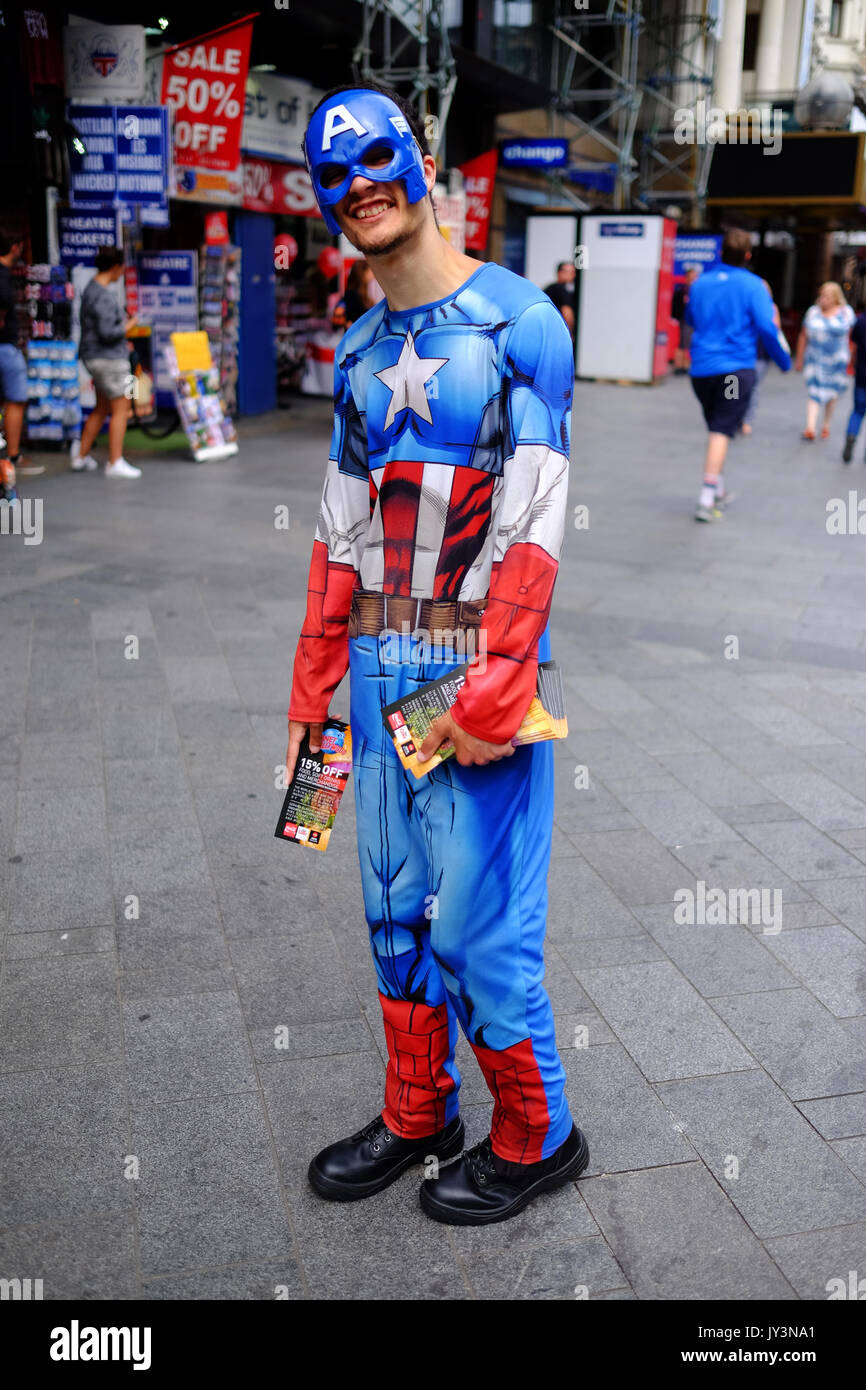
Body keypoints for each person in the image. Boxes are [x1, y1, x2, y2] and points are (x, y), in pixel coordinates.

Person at [286, 82, 588, 1225]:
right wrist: (314, 697)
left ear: (415, 162)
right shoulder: (359, 348)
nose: (354, 183)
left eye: (371, 156)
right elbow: (338, 532)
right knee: (390, 907)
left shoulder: (522, 322)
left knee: (473, 922)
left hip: (473, 667)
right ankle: (419, 1111)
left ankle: (537, 1132)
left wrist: (501, 682)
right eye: (331, 172)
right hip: (376, 669)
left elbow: (534, 510)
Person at [685, 227, 791, 522]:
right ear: (747, 255)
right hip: (734, 371)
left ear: (721, 252)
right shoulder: (753, 285)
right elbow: (767, 326)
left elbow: (691, 318)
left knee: (718, 425)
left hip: (701, 370)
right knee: (721, 429)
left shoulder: (701, 284)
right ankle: (706, 497)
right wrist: (783, 360)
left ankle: (718, 488)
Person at [72, 246, 140, 478]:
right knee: (122, 408)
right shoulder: (100, 294)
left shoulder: (91, 289)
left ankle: (81, 456)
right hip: (109, 358)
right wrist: (128, 326)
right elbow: (108, 332)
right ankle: (115, 461)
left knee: (102, 407)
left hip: (94, 357)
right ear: (115, 267)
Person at [0, 231, 36, 501]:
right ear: (14, 247)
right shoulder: (2, 276)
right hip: (5, 348)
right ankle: (12, 455)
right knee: (16, 399)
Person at [796, 282, 856, 442]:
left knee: (832, 393)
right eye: (822, 295)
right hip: (815, 359)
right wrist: (799, 358)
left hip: (837, 362)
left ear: (835, 298)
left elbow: (853, 337)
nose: (823, 299)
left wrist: (852, 359)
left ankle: (826, 424)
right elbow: (803, 334)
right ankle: (810, 427)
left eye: (827, 296)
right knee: (814, 391)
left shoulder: (845, 312)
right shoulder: (813, 312)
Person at [740, 279, 781, 436]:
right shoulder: (743, 306)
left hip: (759, 354)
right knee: (734, 384)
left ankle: (746, 419)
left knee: (753, 387)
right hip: (740, 354)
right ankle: (732, 413)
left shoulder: (771, 308)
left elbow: (774, 330)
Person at [843, 303, 866, 462]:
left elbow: (855, 346)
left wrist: (851, 364)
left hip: (862, 374)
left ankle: (851, 436)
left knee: (857, 411)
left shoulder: (862, 320)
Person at [671, 265, 699, 374]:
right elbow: (676, 305)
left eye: (695, 276)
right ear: (687, 277)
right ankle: (679, 366)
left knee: (690, 343)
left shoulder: (697, 291)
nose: (694, 278)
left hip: (694, 321)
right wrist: (675, 317)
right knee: (682, 343)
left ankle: (686, 365)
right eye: (692, 276)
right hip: (684, 320)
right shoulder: (682, 290)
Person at [543, 261, 575, 344]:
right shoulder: (561, 289)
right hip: (559, 334)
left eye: (573, 272)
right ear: (559, 273)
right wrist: (569, 333)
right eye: (568, 272)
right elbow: (567, 311)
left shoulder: (549, 288)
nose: (572, 275)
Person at [341, 259, 374, 327]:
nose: (372, 273)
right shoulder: (351, 295)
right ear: (362, 273)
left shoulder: (361, 294)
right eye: (370, 270)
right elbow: (348, 320)